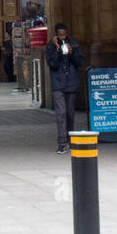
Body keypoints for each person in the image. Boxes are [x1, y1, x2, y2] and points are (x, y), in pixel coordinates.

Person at [45, 23, 85, 154]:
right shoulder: (51, 46)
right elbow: (52, 64)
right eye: (60, 35)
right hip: (58, 84)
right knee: (61, 113)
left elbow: (79, 62)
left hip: (71, 83)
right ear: (56, 34)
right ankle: (61, 143)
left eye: (64, 34)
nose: (62, 37)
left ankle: (70, 140)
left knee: (70, 113)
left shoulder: (73, 43)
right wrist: (57, 50)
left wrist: (72, 52)